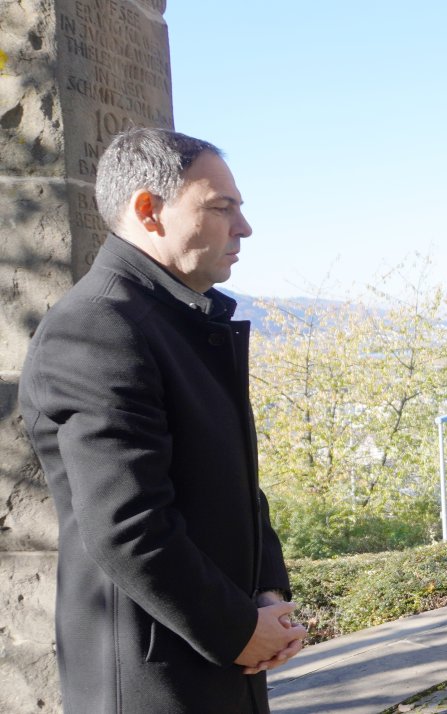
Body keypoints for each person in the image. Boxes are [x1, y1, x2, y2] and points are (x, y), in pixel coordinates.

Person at [19, 128, 305, 713]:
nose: (243, 228)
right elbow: (127, 524)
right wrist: (238, 629)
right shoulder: (98, 328)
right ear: (148, 210)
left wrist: (265, 595)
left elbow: (234, 482)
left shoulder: (173, 322)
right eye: (222, 208)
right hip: (155, 679)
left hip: (214, 655)